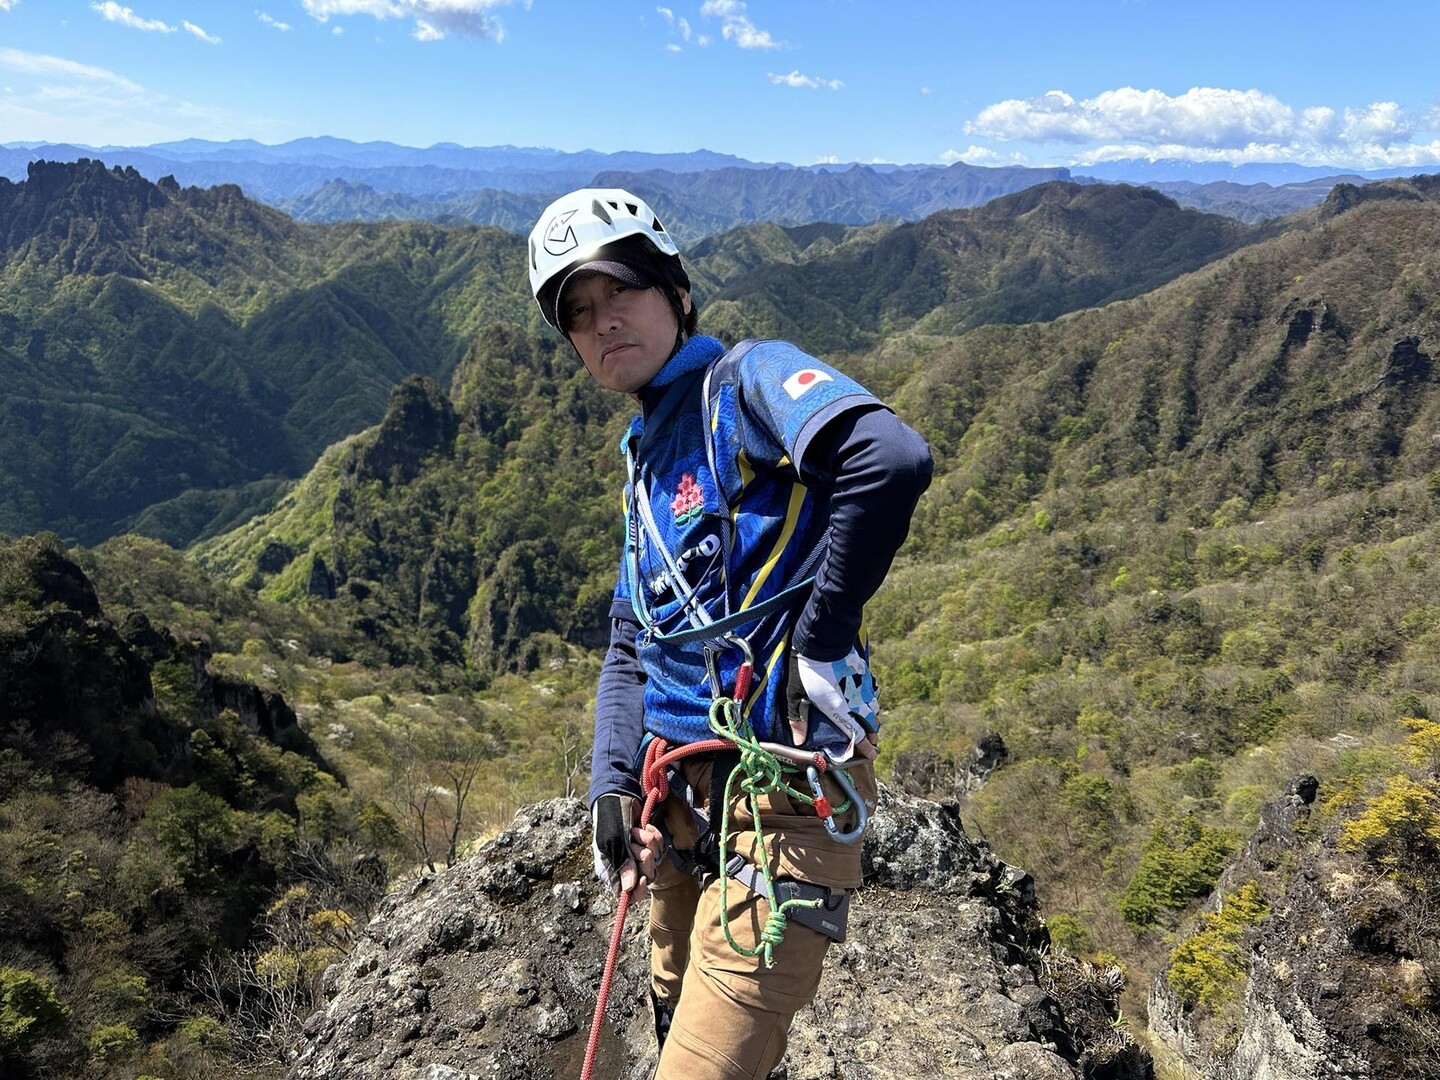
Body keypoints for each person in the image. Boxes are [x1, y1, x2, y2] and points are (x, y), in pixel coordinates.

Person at [526, 188, 932, 1080]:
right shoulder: (644, 459)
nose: (603, 324)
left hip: (781, 792)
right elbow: (630, 641)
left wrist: (824, 639)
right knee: (671, 1003)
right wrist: (610, 789)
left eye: (619, 292)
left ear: (675, 293)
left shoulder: (741, 385)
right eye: (579, 314)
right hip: (675, 799)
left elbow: (888, 458)